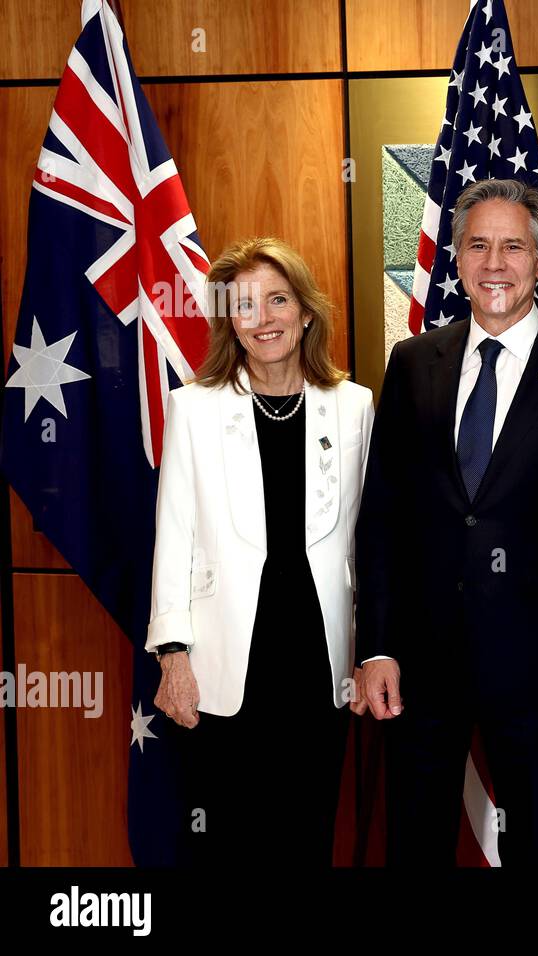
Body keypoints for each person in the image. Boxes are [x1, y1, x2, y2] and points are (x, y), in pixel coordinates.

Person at [355, 178, 538, 866]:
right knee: (413, 845)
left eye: (513, 246)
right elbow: (383, 516)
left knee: (532, 848)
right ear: (456, 259)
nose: (494, 263)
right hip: (419, 667)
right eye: (477, 245)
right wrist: (377, 646)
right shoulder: (414, 362)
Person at [147, 238, 374, 865]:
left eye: (279, 299)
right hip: (226, 662)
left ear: (306, 312)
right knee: (226, 839)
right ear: (230, 321)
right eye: (245, 305)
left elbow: (368, 541)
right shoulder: (193, 408)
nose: (264, 318)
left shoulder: (353, 406)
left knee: (307, 835)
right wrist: (173, 655)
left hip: (319, 661)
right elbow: (174, 535)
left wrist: (373, 646)